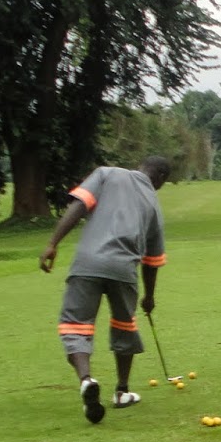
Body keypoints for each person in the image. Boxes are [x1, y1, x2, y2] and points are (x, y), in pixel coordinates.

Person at [38, 156, 170, 424]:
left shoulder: (105, 174)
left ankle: (86, 379)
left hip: (87, 262)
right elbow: (152, 260)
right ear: (159, 180)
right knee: (125, 325)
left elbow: (78, 206)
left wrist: (53, 243)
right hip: (124, 270)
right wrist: (149, 296)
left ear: (141, 167)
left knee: (76, 326)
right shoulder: (153, 204)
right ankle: (122, 391)